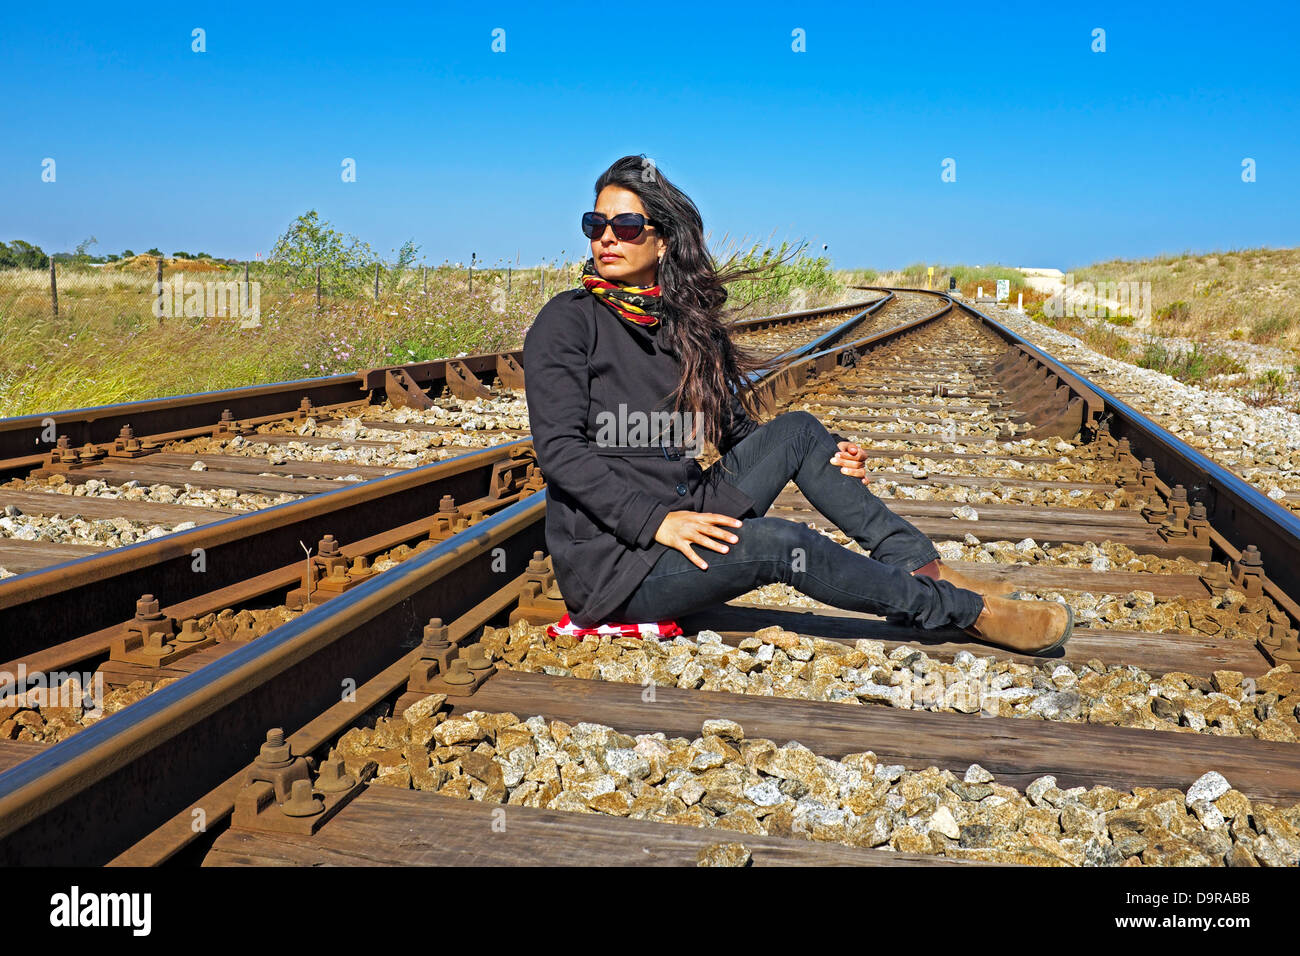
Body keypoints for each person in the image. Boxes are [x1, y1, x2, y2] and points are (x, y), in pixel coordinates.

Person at [521, 155, 1072, 654]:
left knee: (801, 431)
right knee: (784, 544)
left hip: (684, 511)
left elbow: (736, 433)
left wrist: (830, 455)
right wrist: (657, 522)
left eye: (626, 226)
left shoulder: (685, 327)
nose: (606, 239)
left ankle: (920, 565)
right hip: (622, 567)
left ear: (662, 241)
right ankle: (960, 611)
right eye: (596, 225)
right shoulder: (568, 321)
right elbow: (561, 452)